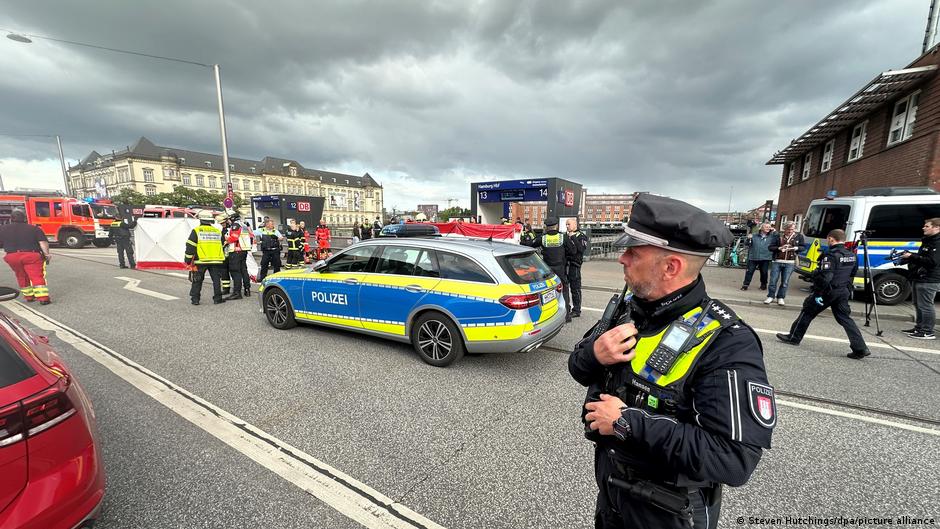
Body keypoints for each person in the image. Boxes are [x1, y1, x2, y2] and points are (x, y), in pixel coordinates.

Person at [570, 194, 775, 529]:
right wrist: (594, 353)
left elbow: (734, 459)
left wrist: (626, 423)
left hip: (668, 512)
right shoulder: (628, 308)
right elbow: (578, 369)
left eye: (633, 252)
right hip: (612, 492)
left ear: (671, 267)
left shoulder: (727, 342)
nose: (622, 258)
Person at [776, 229, 870, 359]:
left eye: (828, 239)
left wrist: (818, 293)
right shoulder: (852, 255)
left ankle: (794, 337)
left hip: (827, 291)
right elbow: (852, 274)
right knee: (845, 319)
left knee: (807, 311)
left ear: (831, 239)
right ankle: (860, 348)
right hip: (842, 291)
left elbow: (826, 277)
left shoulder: (831, 256)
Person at [525, 216, 575, 322]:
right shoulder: (563, 237)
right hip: (560, 268)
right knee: (564, 290)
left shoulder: (543, 238)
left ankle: (549, 314)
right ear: (556, 226)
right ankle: (567, 316)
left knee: (548, 292)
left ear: (546, 227)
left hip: (547, 270)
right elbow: (573, 251)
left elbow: (529, 244)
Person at [898, 218, 940, 339]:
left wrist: (912, 256)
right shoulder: (929, 240)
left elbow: (932, 262)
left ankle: (927, 331)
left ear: (937, 228)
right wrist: (910, 256)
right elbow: (923, 257)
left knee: (926, 305)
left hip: (929, 278)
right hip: (920, 276)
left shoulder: (937, 243)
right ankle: (919, 327)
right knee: (918, 304)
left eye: (927, 226)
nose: (923, 228)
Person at [0, 209, 52, 304]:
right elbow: (43, 242)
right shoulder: (34, 229)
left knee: (21, 276)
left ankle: (29, 296)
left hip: (12, 256)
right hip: (31, 255)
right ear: (24, 218)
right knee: (36, 276)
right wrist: (46, 254)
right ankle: (43, 298)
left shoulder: (2, 229)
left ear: (11, 218)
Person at [185, 210, 226, 305]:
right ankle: (218, 298)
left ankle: (195, 299)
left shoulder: (196, 231)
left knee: (197, 279)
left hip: (201, 260)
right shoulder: (217, 231)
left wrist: (188, 259)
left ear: (200, 220)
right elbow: (222, 244)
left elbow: (190, 246)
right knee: (216, 280)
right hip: (216, 260)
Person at [765, 221, 804, 306]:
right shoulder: (777, 236)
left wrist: (795, 248)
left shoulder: (799, 236)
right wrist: (779, 248)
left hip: (790, 262)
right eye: (788, 229)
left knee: (785, 282)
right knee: (773, 280)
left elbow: (802, 247)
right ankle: (771, 296)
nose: (790, 231)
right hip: (777, 261)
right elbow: (770, 247)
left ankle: (781, 297)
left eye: (792, 229)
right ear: (784, 229)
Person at [224, 217, 254, 300]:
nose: (228, 221)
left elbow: (234, 237)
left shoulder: (235, 225)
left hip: (236, 251)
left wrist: (227, 240)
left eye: (228, 219)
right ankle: (247, 289)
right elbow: (252, 235)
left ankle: (237, 293)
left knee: (235, 272)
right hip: (243, 250)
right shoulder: (244, 225)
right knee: (244, 270)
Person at [566, 217, 589, 318]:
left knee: (575, 289)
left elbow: (581, 249)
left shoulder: (581, 236)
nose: (567, 226)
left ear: (575, 225)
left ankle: (576, 310)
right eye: (566, 224)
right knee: (565, 288)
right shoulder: (565, 235)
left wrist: (573, 237)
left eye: (569, 224)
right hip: (565, 265)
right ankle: (566, 307)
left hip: (574, 266)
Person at [741, 223, 773, 291]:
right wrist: (748, 238)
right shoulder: (754, 236)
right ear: (761, 228)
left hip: (765, 257)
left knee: (764, 272)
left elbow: (777, 240)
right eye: (766, 227)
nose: (768, 228)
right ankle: (745, 285)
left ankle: (763, 284)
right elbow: (746, 244)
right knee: (749, 271)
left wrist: (775, 231)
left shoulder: (772, 236)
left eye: (769, 227)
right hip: (753, 257)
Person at [215, 214, 232, 295]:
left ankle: (237, 289)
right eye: (221, 223)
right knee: (224, 272)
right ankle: (226, 288)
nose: (223, 224)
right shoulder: (220, 230)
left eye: (223, 223)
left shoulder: (230, 229)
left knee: (234, 272)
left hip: (231, 254)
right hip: (223, 254)